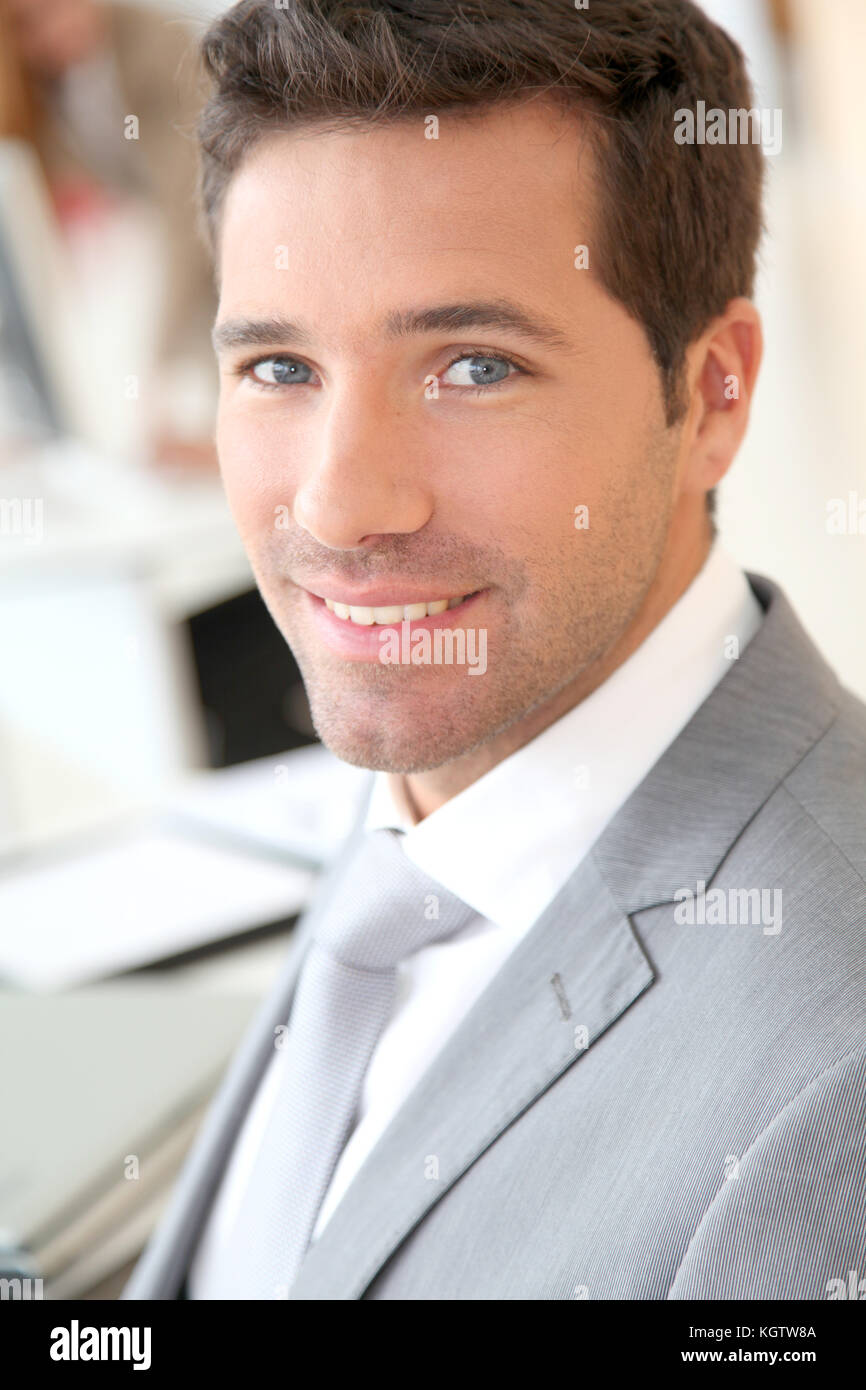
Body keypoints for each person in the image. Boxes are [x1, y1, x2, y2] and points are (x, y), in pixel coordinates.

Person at [122, 0, 866, 1300]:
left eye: (473, 366)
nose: (341, 506)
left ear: (707, 396)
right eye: (281, 369)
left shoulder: (830, 1074)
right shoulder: (440, 784)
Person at [0, 0, 218, 466]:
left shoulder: (159, 43)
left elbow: (188, 216)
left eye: (54, 9)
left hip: (215, 239)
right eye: (25, 24)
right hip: (150, 253)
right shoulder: (41, 83)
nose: (50, 32)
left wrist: (156, 365)